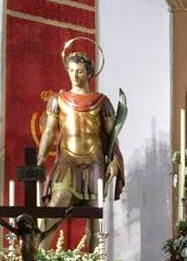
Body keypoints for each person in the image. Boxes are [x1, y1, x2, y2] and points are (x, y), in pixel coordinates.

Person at [36, 51, 124, 250]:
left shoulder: (102, 101)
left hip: (94, 161)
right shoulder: (58, 99)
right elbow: (49, 131)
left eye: (80, 71)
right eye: (71, 70)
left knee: (95, 218)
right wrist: (40, 158)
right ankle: (39, 259)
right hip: (67, 160)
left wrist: (114, 161)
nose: (75, 75)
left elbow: (111, 135)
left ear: (89, 73)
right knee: (57, 203)